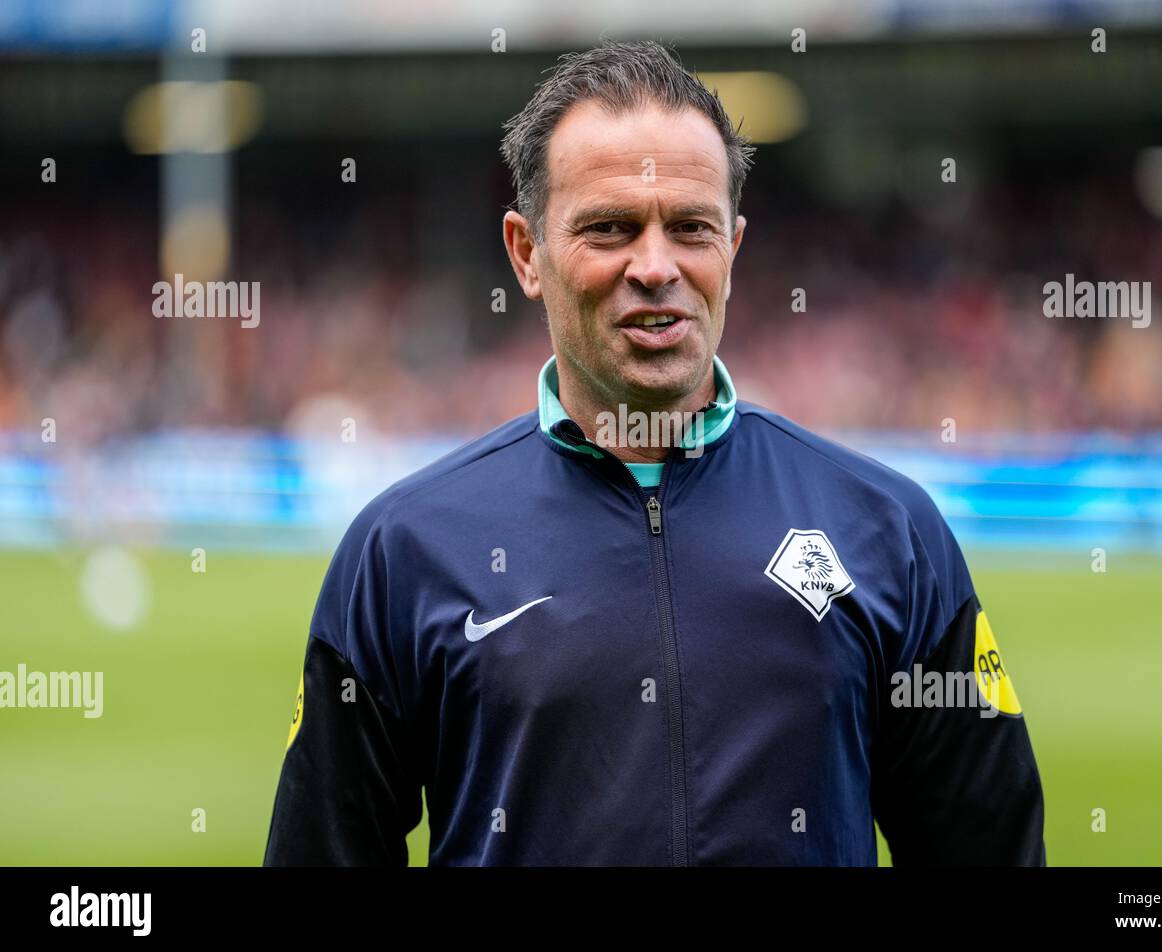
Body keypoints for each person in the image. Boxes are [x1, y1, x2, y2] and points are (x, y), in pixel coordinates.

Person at [263, 38, 1045, 866]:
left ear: (733, 250)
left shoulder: (891, 532)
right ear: (526, 254)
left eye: (690, 227)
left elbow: (990, 847)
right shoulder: (402, 551)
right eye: (609, 228)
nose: (656, 266)